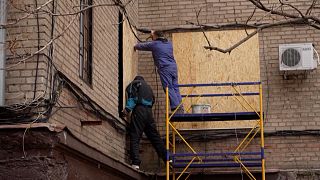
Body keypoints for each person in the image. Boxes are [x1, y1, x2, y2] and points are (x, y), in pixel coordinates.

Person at [122, 76, 167, 170]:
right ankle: (168, 159)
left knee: (135, 136)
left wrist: (127, 110)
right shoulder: (149, 87)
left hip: (139, 111)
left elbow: (133, 97)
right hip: (149, 113)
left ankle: (135, 163)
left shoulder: (134, 83)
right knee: (155, 138)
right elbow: (153, 100)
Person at [134, 30, 184, 113]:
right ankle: (180, 107)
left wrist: (136, 46)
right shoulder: (169, 44)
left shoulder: (155, 44)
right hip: (173, 68)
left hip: (165, 68)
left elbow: (140, 46)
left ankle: (176, 108)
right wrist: (153, 36)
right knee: (175, 87)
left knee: (168, 88)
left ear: (155, 36)